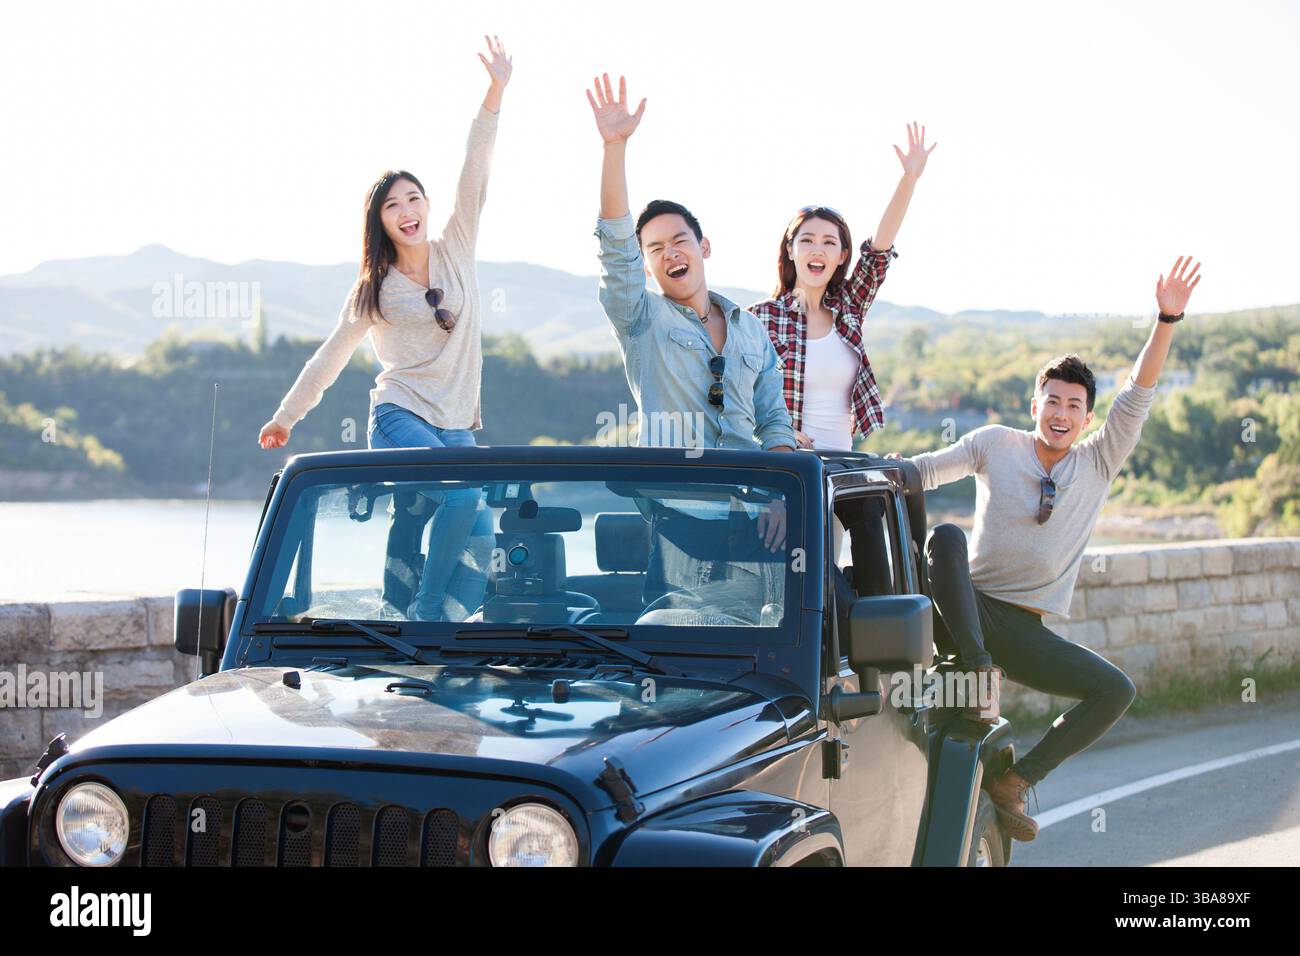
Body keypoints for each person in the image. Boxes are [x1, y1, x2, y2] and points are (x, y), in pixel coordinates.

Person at [891, 256, 1203, 842]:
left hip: (1022, 630)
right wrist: (877, 468)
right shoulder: (994, 443)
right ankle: (980, 666)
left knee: (1116, 689)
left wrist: (1166, 318)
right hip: (965, 611)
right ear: (1034, 406)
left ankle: (1016, 780)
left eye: (1073, 406)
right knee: (947, 537)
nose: (1061, 414)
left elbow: (1138, 393)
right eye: (1052, 402)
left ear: (1087, 418)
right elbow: (923, 471)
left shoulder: (1098, 462)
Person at [257, 36, 512, 622]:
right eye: (393, 204)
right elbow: (329, 356)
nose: (407, 209)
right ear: (381, 221)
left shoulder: (458, 248)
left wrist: (494, 94)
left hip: (456, 427)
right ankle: (423, 614)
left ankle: (436, 625)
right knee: (463, 493)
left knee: (480, 531)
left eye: (414, 197)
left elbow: (476, 169)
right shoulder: (374, 287)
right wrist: (285, 417)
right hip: (399, 416)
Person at [586, 73, 796, 614]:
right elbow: (615, 251)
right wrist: (615, 149)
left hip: (756, 521)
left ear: (703, 246)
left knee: (766, 639)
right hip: (681, 522)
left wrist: (779, 492)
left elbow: (774, 421)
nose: (670, 253)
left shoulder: (750, 327)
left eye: (679, 240)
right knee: (679, 644)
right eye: (655, 249)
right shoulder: (641, 319)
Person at [750, 123, 936, 455]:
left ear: (842, 255)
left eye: (828, 242)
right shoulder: (759, 318)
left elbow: (880, 250)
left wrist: (909, 179)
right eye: (806, 240)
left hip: (841, 464)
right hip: (786, 467)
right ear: (790, 250)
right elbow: (736, 396)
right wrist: (779, 433)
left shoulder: (849, 307)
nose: (817, 250)